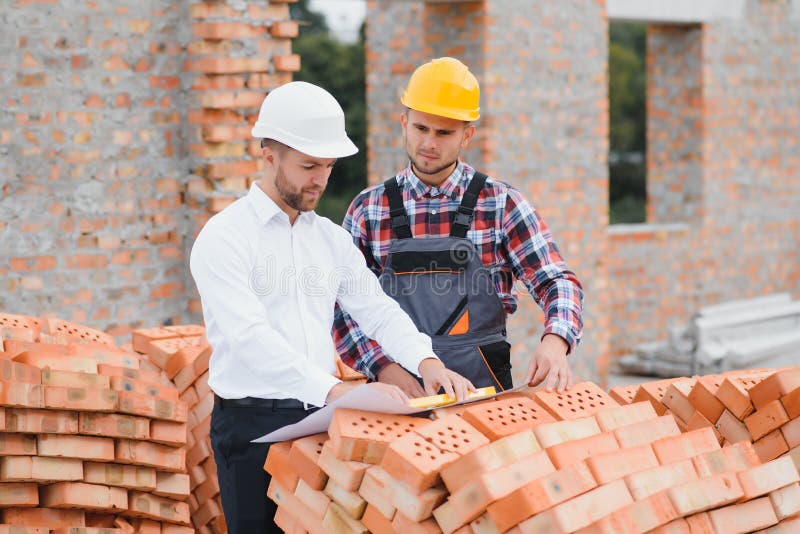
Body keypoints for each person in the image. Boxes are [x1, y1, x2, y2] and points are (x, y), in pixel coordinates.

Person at [189, 81, 474, 534]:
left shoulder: (329, 239)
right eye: (308, 165)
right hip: (251, 426)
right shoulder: (224, 238)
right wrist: (337, 391)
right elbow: (249, 338)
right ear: (270, 156)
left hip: (320, 421)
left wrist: (425, 359)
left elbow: (377, 309)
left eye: (327, 165)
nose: (320, 178)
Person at [333, 57, 584, 397]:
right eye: (421, 128)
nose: (429, 144)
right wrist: (384, 368)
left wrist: (556, 341)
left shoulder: (500, 203)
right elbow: (341, 303)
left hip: (486, 393)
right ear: (404, 122)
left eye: (444, 132)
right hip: (398, 393)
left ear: (467, 135)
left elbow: (556, 281)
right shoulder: (369, 209)